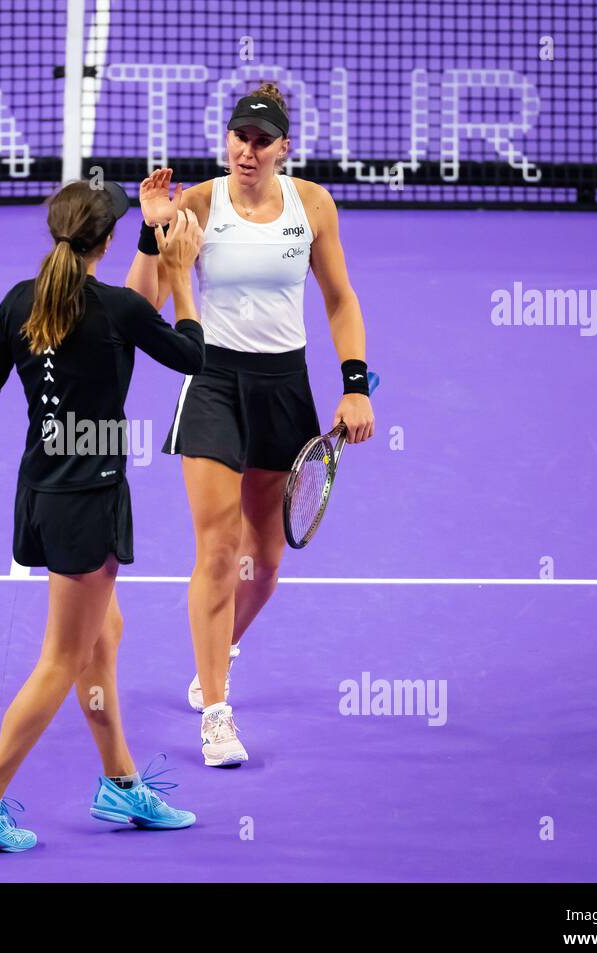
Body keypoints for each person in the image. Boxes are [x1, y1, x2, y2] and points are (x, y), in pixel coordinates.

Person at [0, 180, 207, 850]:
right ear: (104, 242)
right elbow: (191, 353)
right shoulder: (116, 310)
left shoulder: (19, 302)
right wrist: (180, 272)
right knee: (63, 656)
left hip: (42, 492)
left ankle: (120, 783)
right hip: (91, 499)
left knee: (103, 635)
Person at [126, 83, 375, 768]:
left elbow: (341, 298)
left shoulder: (313, 205)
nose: (248, 149)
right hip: (212, 383)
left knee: (262, 565)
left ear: (284, 148)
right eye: (240, 136)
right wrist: (154, 227)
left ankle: (217, 645)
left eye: (263, 140)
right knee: (217, 549)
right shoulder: (198, 203)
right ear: (227, 139)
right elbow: (140, 300)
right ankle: (216, 710)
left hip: (284, 386)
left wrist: (355, 384)